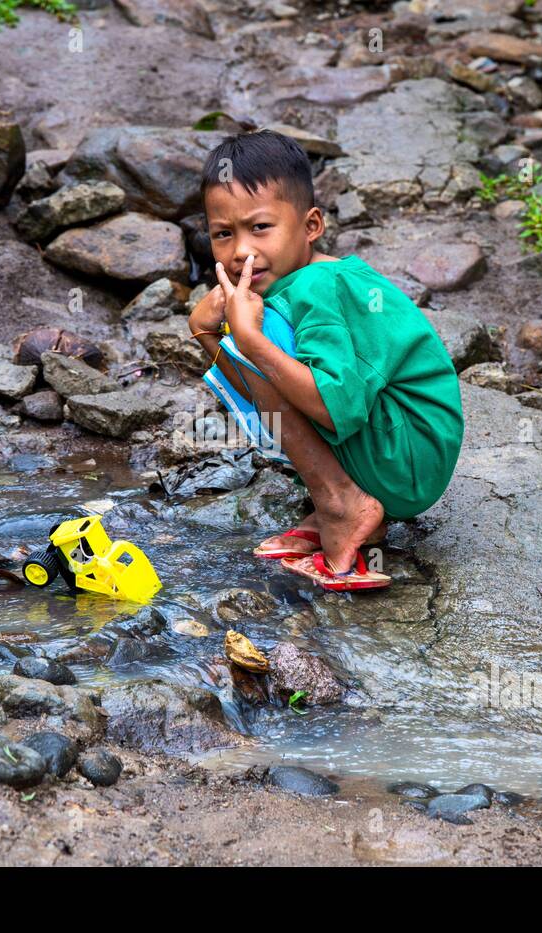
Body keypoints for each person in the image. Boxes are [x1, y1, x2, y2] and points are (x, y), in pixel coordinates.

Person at [188, 130, 464, 591]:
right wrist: (204, 331)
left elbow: (338, 406)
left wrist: (253, 341)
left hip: (409, 453)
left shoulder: (319, 286)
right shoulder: (293, 285)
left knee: (259, 335)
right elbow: (255, 391)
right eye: (222, 234)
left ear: (311, 226)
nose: (241, 252)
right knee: (249, 337)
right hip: (398, 453)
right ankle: (355, 504)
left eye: (260, 228)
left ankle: (343, 505)